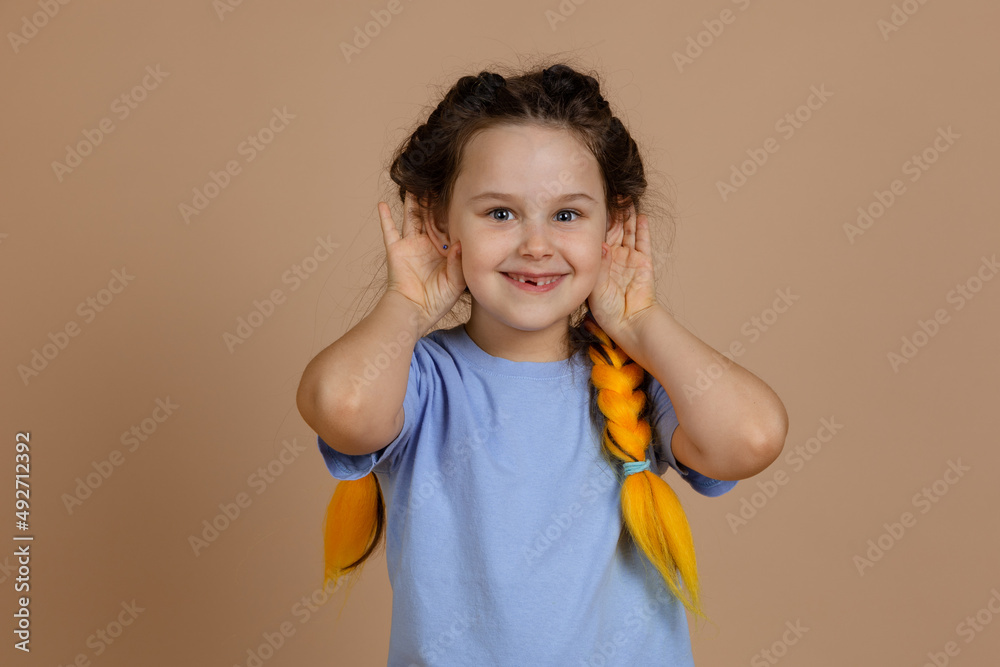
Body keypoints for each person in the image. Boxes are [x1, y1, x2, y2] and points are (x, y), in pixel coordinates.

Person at [296, 60, 788, 665]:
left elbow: (752, 436)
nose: (535, 244)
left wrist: (638, 322)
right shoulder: (419, 377)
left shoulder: (633, 378)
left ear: (615, 224)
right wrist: (407, 304)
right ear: (438, 222)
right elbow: (341, 406)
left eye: (567, 214)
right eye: (500, 213)